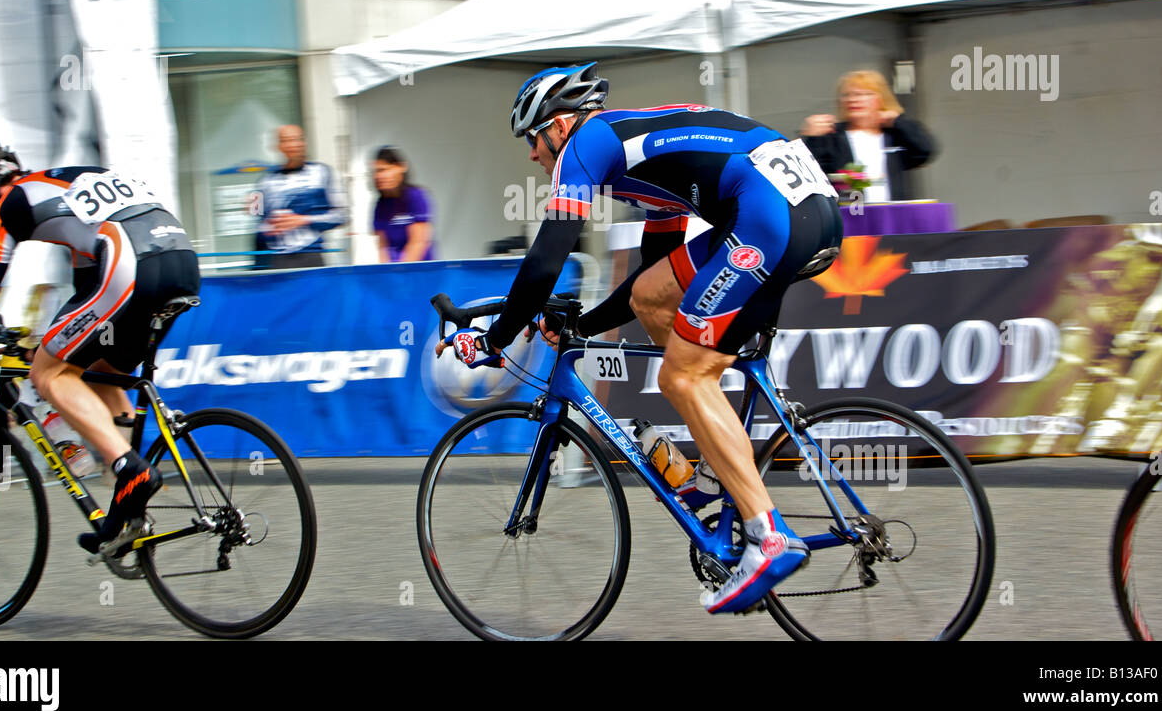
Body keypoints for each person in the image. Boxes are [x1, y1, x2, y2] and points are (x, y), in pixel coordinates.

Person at [437, 63, 843, 614]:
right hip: (804, 208)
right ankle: (714, 474)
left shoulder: (586, 145)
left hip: (769, 215)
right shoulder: (639, 158)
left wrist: (494, 339)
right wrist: (582, 325)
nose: (533, 156)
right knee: (660, 302)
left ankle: (767, 538)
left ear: (558, 126)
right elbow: (652, 283)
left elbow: (546, 257)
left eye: (533, 140)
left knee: (682, 375)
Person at [0, 142, 201, 555]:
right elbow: (86, 296)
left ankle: (130, 471)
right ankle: (129, 506)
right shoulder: (63, 187)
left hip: (130, 261)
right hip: (181, 258)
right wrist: (45, 347)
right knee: (95, 367)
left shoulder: (9, 203)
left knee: (46, 376)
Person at [800, 70, 937, 202]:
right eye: (847, 95)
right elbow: (810, 177)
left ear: (881, 99)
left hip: (889, 216)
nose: (853, 100)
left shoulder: (893, 136)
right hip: (851, 216)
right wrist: (813, 139)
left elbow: (924, 151)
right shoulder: (831, 136)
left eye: (863, 94)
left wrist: (898, 121)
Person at [251, 125, 348, 269]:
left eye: (297, 140)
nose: (293, 145)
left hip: (312, 256)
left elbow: (343, 216)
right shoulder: (264, 181)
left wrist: (303, 220)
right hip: (279, 260)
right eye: (286, 140)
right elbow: (256, 219)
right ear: (278, 146)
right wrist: (263, 222)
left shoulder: (323, 172)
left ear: (304, 143)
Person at [372, 145, 436, 262]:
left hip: (418, 271)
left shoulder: (416, 196)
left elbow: (418, 242)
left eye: (384, 170)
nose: (379, 176)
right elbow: (382, 247)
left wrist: (401, 275)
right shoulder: (379, 206)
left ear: (401, 167)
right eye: (376, 171)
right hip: (394, 272)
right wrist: (387, 274)